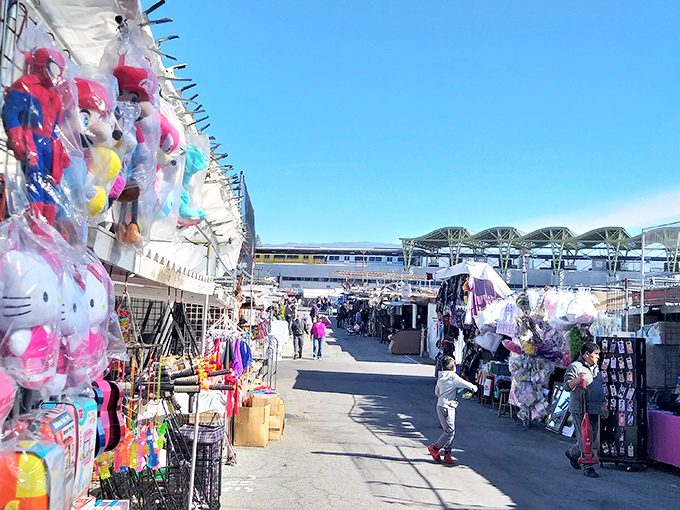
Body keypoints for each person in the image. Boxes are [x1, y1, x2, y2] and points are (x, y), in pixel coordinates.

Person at [564, 341, 605, 478]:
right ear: (587, 354)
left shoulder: (596, 368)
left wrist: (603, 404)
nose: (598, 357)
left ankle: (572, 453)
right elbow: (566, 386)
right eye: (596, 354)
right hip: (580, 408)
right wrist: (577, 379)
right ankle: (588, 466)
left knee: (591, 436)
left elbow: (599, 387)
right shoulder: (575, 367)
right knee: (584, 437)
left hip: (594, 408)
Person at [428, 355, 478, 465]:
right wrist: (475, 388)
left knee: (450, 431)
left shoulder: (440, 377)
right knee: (450, 432)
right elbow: (467, 385)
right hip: (449, 407)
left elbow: (437, 392)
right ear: (453, 367)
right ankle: (435, 448)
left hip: (440, 405)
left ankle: (447, 453)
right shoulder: (453, 377)